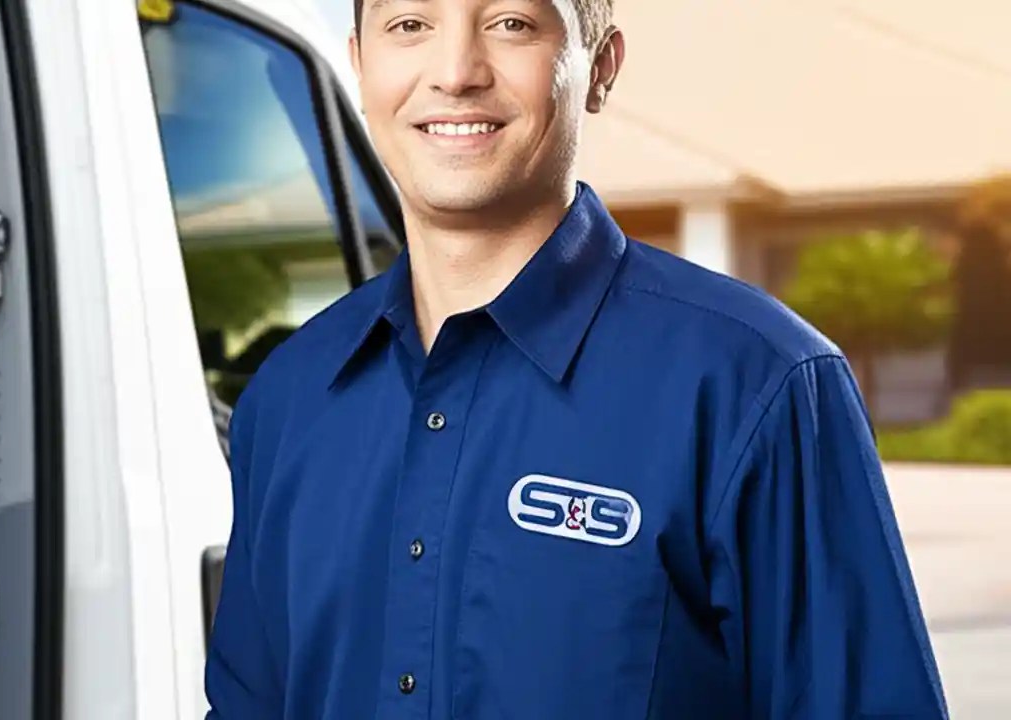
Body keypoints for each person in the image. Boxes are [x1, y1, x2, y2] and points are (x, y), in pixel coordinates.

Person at [204, 0, 950, 717]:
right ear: (361, 66)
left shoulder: (757, 385)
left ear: (601, 67)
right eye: (410, 25)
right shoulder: (288, 397)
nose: (456, 70)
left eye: (511, 23)